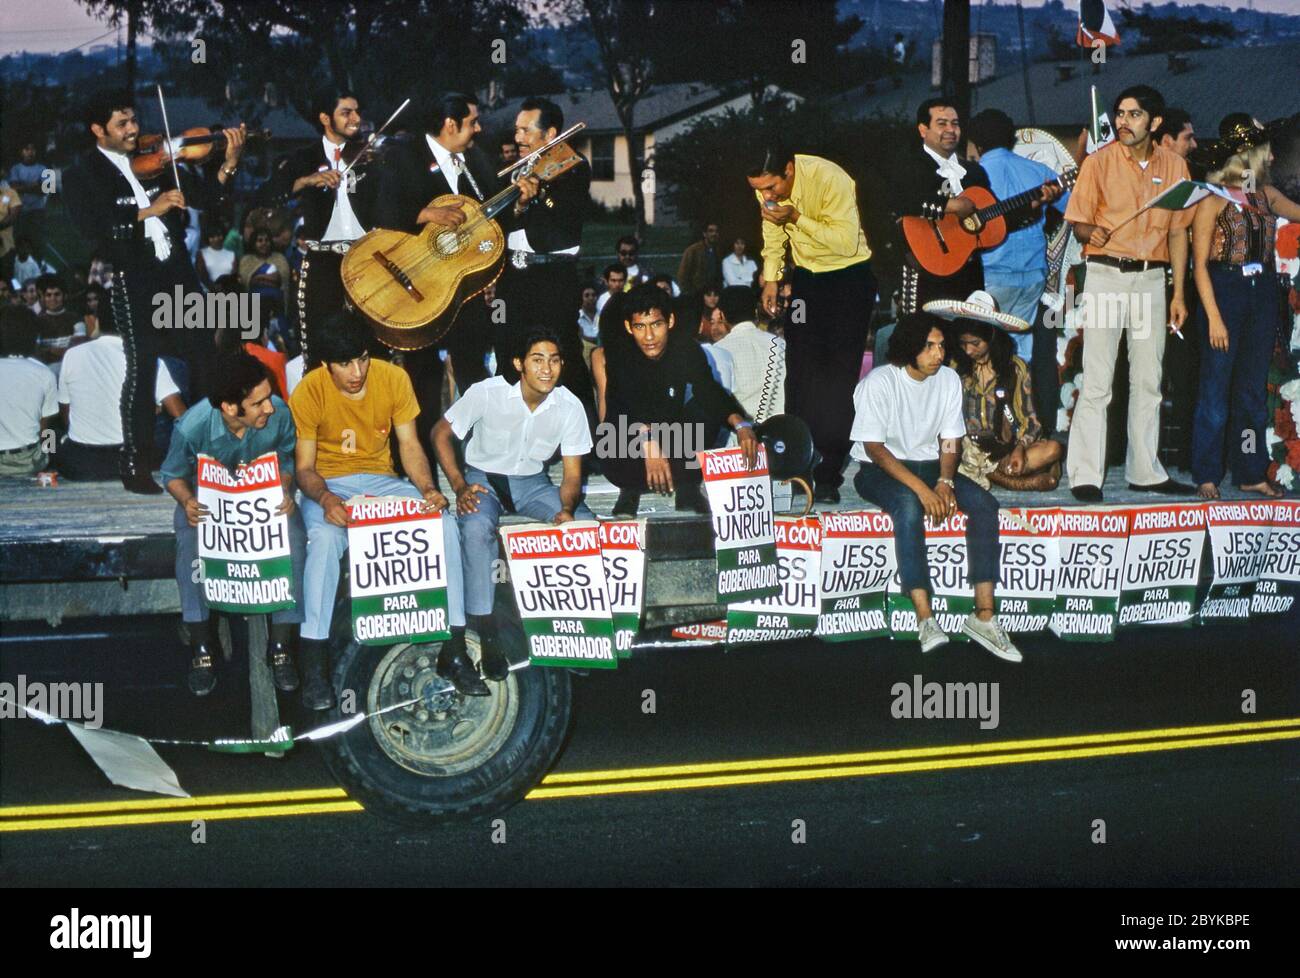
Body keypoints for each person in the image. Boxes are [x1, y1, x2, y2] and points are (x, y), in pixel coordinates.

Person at [289, 312, 482, 704]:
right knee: (324, 542)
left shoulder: (393, 378)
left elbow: (409, 445)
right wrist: (326, 499)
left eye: (361, 358)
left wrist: (428, 488)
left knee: (442, 523)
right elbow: (304, 469)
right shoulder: (309, 389)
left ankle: (455, 647)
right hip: (330, 484)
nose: (356, 371)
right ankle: (314, 662)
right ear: (326, 364)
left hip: (382, 480)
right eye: (344, 364)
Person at [63, 90, 246, 493]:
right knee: (142, 369)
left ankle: (212, 457)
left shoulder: (159, 162)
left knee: (205, 359)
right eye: (122, 124)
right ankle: (136, 465)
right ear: (98, 130)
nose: (134, 131)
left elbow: (210, 199)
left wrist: (228, 163)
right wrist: (150, 209)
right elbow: (94, 232)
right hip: (135, 278)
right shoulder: (83, 174)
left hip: (177, 274)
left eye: (134, 121)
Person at [850, 313, 1022, 662]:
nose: (939, 353)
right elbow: (875, 449)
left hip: (931, 467)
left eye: (942, 345)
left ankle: (984, 615)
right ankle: (925, 618)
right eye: (929, 346)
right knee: (909, 507)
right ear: (909, 347)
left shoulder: (946, 380)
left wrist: (944, 481)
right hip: (880, 470)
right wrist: (924, 491)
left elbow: (950, 439)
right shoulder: (880, 382)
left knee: (985, 505)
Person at [433, 329, 594, 679]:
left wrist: (565, 511)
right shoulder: (487, 393)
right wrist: (460, 486)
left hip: (532, 484)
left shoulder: (569, 405)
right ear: (519, 364)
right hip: (484, 480)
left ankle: (574, 636)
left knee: (582, 527)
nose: (547, 369)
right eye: (537, 360)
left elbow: (570, 477)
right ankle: (488, 634)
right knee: (476, 529)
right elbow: (440, 434)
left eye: (554, 360)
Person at [1063, 85, 1194, 502]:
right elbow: (1078, 223)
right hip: (1106, 275)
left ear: (1155, 123)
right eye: (1120, 113)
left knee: (1149, 380)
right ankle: (1085, 474)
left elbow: (1178, 232)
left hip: (1153, 280)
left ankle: (1146, 471)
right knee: (1099, 380)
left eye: (1134, 115)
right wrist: (1091, 231)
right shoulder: (1097, 163)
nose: (1123, 121)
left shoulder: (1175, 166)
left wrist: (1178, 294)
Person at [160, 350, 307, 698]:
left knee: (295, 542)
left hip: (262, 499)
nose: (269, 408)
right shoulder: (193, 426)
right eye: (258, 404)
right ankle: (201, 647)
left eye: (268, 398)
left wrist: (286, 488)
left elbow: (289, 458)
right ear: (229, 407)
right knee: (189, 550)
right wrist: (187, 501)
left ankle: (281, 645)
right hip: (211, 503)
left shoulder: (279, 413)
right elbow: (172, 475)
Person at [747, 140, 877, 503]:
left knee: (837, 379)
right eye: (759, 191)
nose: (767, 196)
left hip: (848, 280)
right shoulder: (767, 191)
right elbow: (772, 232)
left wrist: (796, 218)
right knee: (800, 370)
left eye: (771, 187)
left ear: (789, 169)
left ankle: (827, 474)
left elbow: (845, 242)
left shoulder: (830, 178)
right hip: (806, 284)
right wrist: (771, 278)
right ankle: (797, 463)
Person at [1188, 115, 1300, 500]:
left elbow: (1298, 211)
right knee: (1215, 390)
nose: (1270, 157)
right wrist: (1214, 317)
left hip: (1262, 290)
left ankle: (1250, 470)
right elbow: (1198, 264)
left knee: (1252, 392)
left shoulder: (1265, 195)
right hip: (1225, 289)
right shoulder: (1213, 197)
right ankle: (1206, 472)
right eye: (1263, 150)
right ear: (1246, 154)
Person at [373, 92, 499, 432]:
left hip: (464, 286)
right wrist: (426, 213)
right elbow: (380, 213)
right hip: (419, 286)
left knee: (474, 365)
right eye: (472, 122)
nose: (478, 129)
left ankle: (486, 450)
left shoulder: (477, 161)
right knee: (423, 375)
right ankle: (424, 457)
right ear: (449, 124)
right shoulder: (403, 156)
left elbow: (493, 222)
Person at [602, 285, 757, 516]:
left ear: (670, 321)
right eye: (640, 327)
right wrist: (647, 441)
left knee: (705, 412)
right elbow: (619, 406)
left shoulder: (685, 348)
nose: (649, 336)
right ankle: (630, 490)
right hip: (632, 442)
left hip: (672, 438)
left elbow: (708, 390)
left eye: (656, 324)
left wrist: (741, 424)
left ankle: (688, 487)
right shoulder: (620, 354)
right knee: (609, 435)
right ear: (628, 327)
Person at [496, 96, 595, 420]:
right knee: (510, 352)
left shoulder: (574, 166)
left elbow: (566, 220)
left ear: (550, 133)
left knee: (561, 354)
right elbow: (512, 220)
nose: (518, 137)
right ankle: (511, 433)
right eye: (517, 130)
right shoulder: (519, 168)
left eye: (525, 130)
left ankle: (586, 441)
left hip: (553, 278)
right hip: (515, 276)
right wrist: (522, 204)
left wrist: (540, 195)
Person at [269, 90, 375, 362]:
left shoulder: (371, 156)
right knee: (321, 345)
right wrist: (307, 181)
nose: (356, 118)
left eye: (357, 111)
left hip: (369, 259)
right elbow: (271, 193)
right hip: (324, 260)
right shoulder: (304, 158)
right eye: (346, 112)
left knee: (372, 345)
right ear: (325, 118)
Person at [927, 293, 1062, 491]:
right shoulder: (955, 370)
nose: (968, 351)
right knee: (941, 458)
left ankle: (996, 473)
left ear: (991, 338)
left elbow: (1030, 419)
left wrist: (1020, 448)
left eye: (975, 344)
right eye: (963, 344)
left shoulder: (1015, 369)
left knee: (1053, 449)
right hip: (965, 451)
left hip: (1004, 451)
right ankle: (1012, 480)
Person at [965, 109, 1067, 366]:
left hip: (992, 274)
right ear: (1011, 139)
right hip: (1032, 276)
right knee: (1020, 354)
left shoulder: (973, 177)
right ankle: (1018, 403)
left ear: (977, 144)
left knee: (985, 352)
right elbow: (1075, 208)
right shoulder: (1039, 171)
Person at [58, 308, 185, 480]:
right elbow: (181, 416)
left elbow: (67, 416)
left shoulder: (72, 354)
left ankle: (46, 465)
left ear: (98, 322)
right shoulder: (149, 359)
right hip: (135, 463)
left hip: (82, 464)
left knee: (53, 435)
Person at [895, 98, 992, 314]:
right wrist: (952, 205)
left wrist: (1031, 206)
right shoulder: (908, 164)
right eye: (942, 123)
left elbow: (992, 219)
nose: (950, 129)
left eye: (955, 123)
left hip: (968, 272)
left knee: (966, 339)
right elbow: (904, 200)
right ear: (923, 129)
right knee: (920, 339)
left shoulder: (974, 172)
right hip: (923, 269)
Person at [711, 285, 786, 424]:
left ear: (722, 315)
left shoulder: (718, 351)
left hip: (742, 438)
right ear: (756, 311)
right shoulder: (780, 344)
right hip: (783, 433)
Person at [0, 307, 57, 477]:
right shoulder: (44, 374)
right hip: (28, 462)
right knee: (56, 434)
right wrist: (50, 457)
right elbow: (46, 430)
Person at [7, 140, 48, 245]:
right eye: (27, 149)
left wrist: (22, 186)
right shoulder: (15, 168)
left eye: (33, 149)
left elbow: (46, 190)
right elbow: (13, 188)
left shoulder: (44, 168)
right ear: (22, 152)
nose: (30, 152)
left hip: (37, 210)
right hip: (19, 211)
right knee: (17, 240)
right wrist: (34, 185)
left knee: (37, 241)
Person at [33, 273, 78, 365]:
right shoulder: (36, 321)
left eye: (57, 294)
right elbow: (35, 350)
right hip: (46, 367)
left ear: (64, 296)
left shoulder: (76, 319)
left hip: (71, 365)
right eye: (48, 295)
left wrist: (51, 350)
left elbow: (79, 345)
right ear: (43, 298)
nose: (53, 298)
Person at [677, 221, 723, 296]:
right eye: (711, 231)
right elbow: (682, 275)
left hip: (713, 294)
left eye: (716, 231)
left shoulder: (718, 251)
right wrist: (689, 293)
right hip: (696, 294)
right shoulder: (693, 250)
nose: (714, 234)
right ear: (704, 234)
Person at [196, 222, 235, 290]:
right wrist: (213, 288)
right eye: (212, 237)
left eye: (219, 235)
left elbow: (234, 275)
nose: (216, 239)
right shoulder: (201, 254)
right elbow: (202, 276)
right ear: (207, 238)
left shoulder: (232, 254)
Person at [577, 282, 600, 367]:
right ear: (581, 298)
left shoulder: (602, 315)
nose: (591, 298)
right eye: (587, 295)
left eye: (593, 295)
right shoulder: (577, 317)